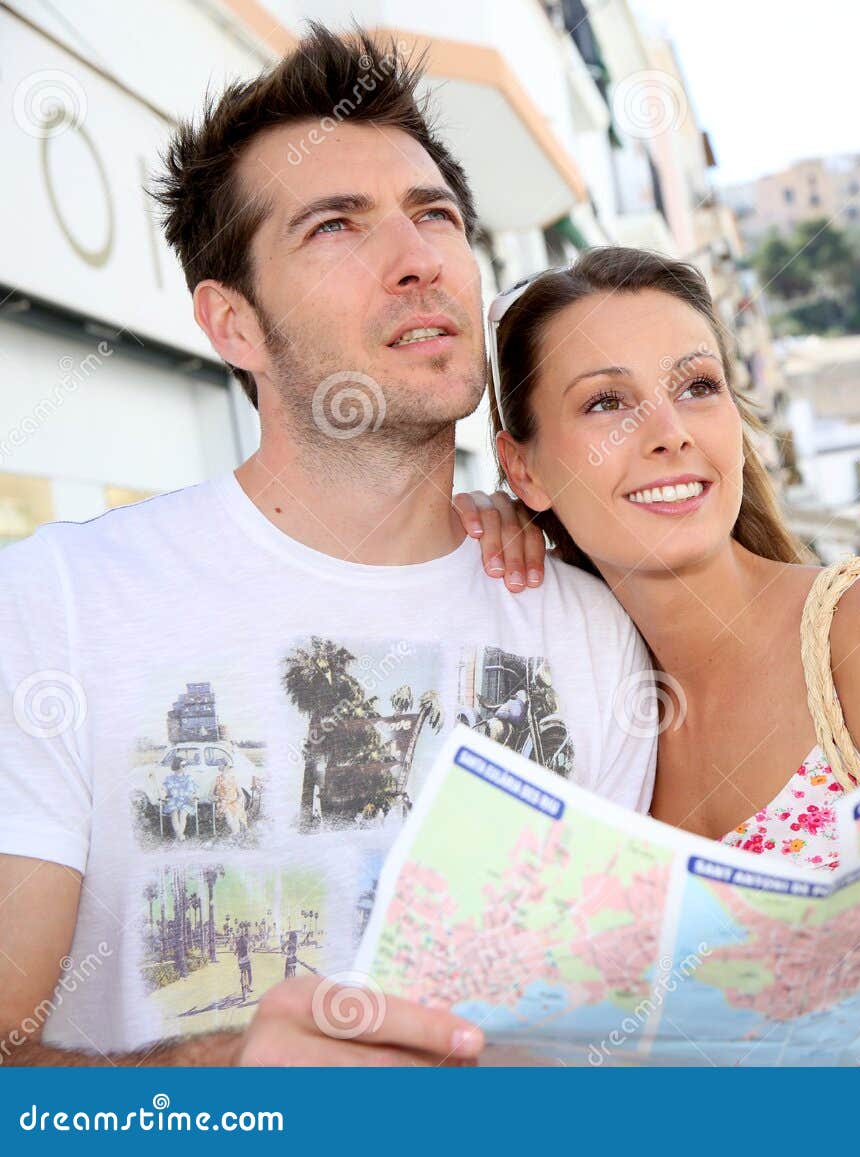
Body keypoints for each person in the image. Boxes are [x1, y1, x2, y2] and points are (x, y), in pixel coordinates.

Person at [0, 26, 654, 1067]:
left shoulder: (584, 629)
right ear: (235, 326)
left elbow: (610, 1042)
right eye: (334, 227)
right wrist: (223, 1079)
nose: (417, 260)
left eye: (433, 214)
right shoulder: (54, 606)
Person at [455, 246, 860, 1064]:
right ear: (522, 465)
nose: (669, 433)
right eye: (605, 402)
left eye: (697, 386)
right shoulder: (570, 697)